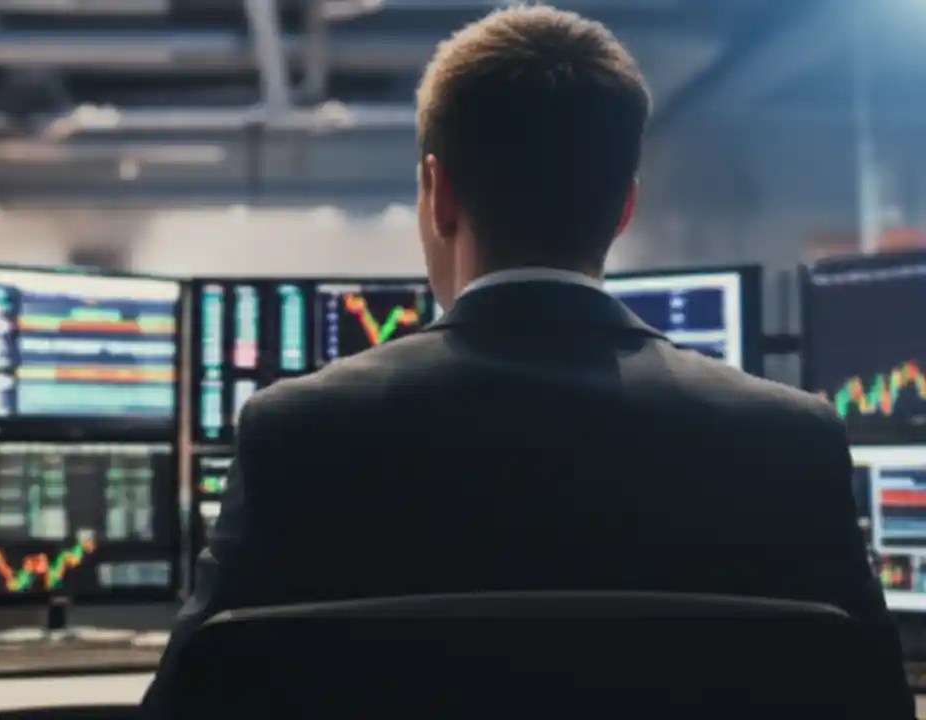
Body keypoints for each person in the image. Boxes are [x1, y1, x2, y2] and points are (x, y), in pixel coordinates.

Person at [143, 5, 913, 717]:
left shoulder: (298, 431)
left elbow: (186, 705)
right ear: (622, 208)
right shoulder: (789, 439)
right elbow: (876, 707)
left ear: (437, 194)